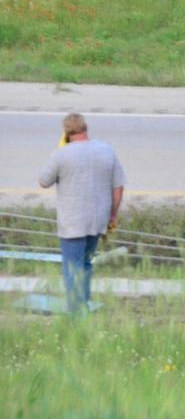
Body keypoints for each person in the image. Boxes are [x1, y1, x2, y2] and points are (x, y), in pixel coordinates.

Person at [38, 113, 125, 314]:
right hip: (98, 221)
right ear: (86, 128)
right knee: (85, 264)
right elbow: (118, 188)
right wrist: (112, 215)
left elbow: (43, 181)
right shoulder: (107, 150)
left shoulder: (62, 154)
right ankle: (83, 306)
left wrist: (61, 148)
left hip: (73, 223)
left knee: (72, 269)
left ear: (67, 133)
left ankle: (77, 315)